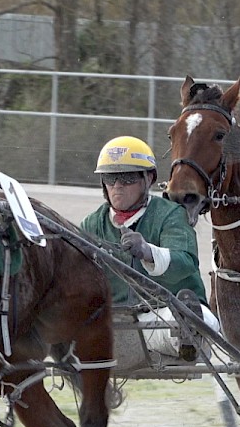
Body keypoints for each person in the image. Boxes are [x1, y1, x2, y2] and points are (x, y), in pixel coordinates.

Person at [80, 135, 219, 359]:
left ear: (149, 178)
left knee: (187, 319)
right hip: (113, 322)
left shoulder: (171, 215)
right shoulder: (92, 224)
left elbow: (185, 262)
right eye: (110, 178)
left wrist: (148, 252)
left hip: (164, 314)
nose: (117, 186)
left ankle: (188, 335)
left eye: (127, 178)